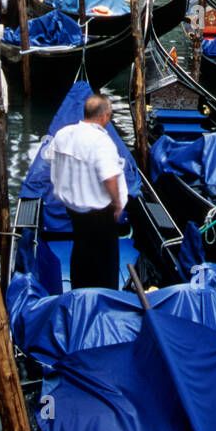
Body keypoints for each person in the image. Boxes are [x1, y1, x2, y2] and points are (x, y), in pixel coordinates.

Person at [48, 93, 127, 289]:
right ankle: (106, 295)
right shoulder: (101, 142)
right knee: (106, 258)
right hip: (100, 211)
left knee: (82, 247)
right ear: (104, 117)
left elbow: (51, 158)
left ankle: (79, 290)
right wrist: (118, 204)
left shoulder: (63, 134)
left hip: (74, 208)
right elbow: (109, 178)